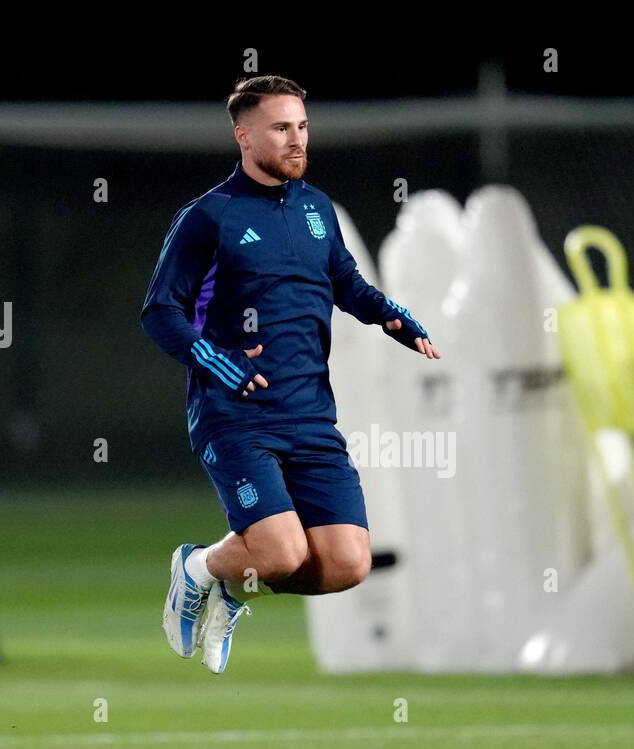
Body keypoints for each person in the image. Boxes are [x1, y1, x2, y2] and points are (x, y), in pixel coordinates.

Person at [140, 74, 440, 674]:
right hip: (236, 414)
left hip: (310, 414)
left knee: (347, 563)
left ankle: (227, 585)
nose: (297, 140)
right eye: (281, 128)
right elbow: (159, 313)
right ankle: (196, 568)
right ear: (244, 135)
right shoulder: (210, 217)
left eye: (302, 127)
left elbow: (346, 285)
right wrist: (216, 363)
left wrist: (394, 319)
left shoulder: (315, 208)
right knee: (278, 551)